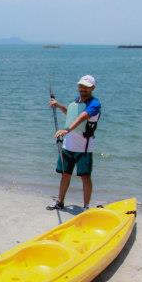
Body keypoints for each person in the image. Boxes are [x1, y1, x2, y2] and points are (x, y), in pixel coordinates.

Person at [47, 74, 101, 210]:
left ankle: (86, 207)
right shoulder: (76, 102)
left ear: (92, 88)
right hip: (68, 146)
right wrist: (58, 105)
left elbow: (82, 117)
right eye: (81, 86)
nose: (83, 89)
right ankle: (60, 202)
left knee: (85, 177)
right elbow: (72, 115)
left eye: (86, 87)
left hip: (84, 148)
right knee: (65, 174)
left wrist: (66, 129)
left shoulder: (94, 104)